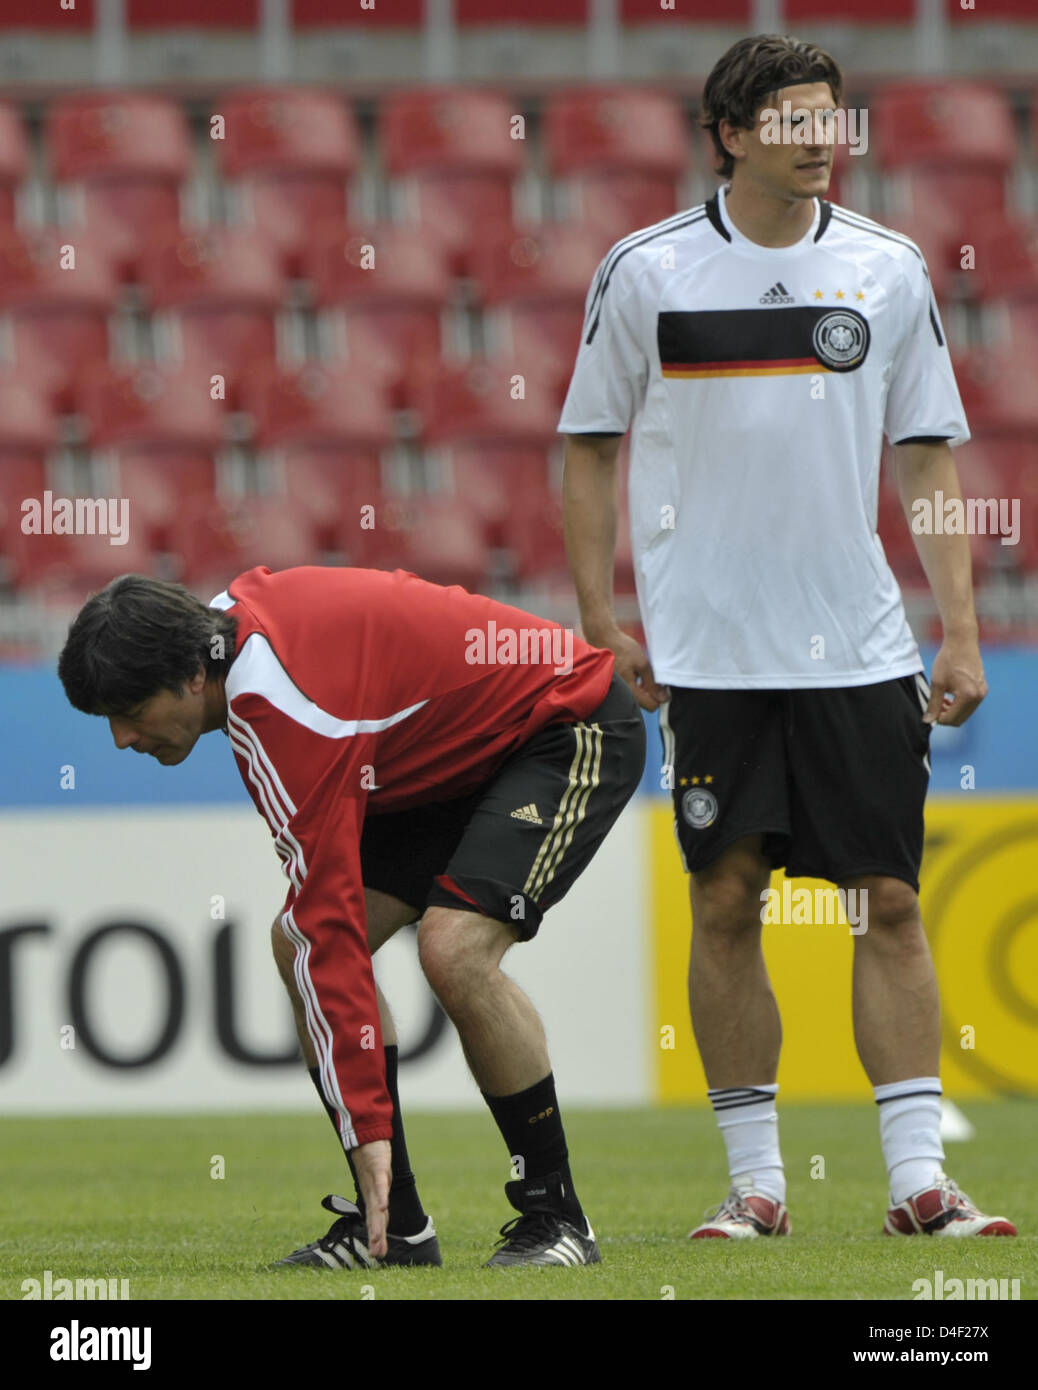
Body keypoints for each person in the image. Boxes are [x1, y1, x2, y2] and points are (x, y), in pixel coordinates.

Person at [559, 33, 1016, 1238]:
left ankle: (919, 1181)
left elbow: (926, 457)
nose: (819, 139)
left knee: (891, 903)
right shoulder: (646, 272)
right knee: (726, 903)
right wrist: (602, 618)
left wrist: (956, 632)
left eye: (830, 117)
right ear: (731, 132)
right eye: (793, 119)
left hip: (861, 650)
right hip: (709, 654)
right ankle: (756, 1183)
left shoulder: (889, 269)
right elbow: (589, 444)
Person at [58, 564, 646, 1267]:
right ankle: (395, 1228)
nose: (122, 738)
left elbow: (331, 926)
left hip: (564, 719)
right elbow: (317, 931)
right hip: (448, 760)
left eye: (129, 710)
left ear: (190, 676)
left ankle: (558, 1217)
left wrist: (364, 1122)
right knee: (293, 943)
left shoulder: (280, 708)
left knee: (453, 950)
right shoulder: (221, 638)